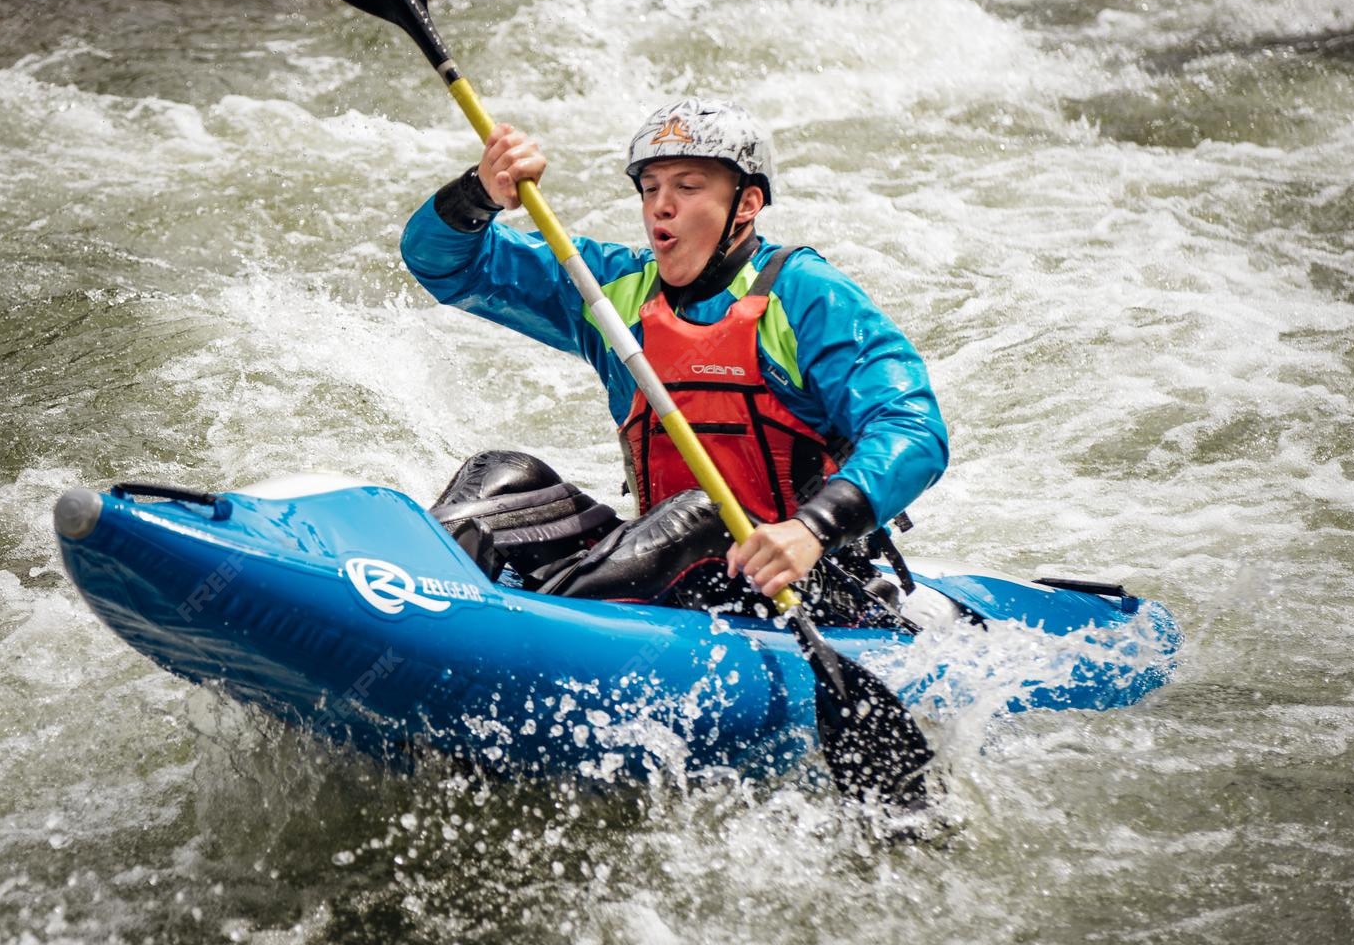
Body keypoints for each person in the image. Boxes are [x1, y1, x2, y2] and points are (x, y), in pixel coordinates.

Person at [400, 98, 949, 615]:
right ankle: (417, 602)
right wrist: (481, 192)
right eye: (650, 187)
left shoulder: (807, 295)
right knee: (502, 475)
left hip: (803, 581)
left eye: (688, 186)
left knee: (700, 514)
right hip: (658, 559)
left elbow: (913, 429)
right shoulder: (613, 292)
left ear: (747, 204)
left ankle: (537, 628)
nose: (661, 204)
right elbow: (444, 265)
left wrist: (812, 528)